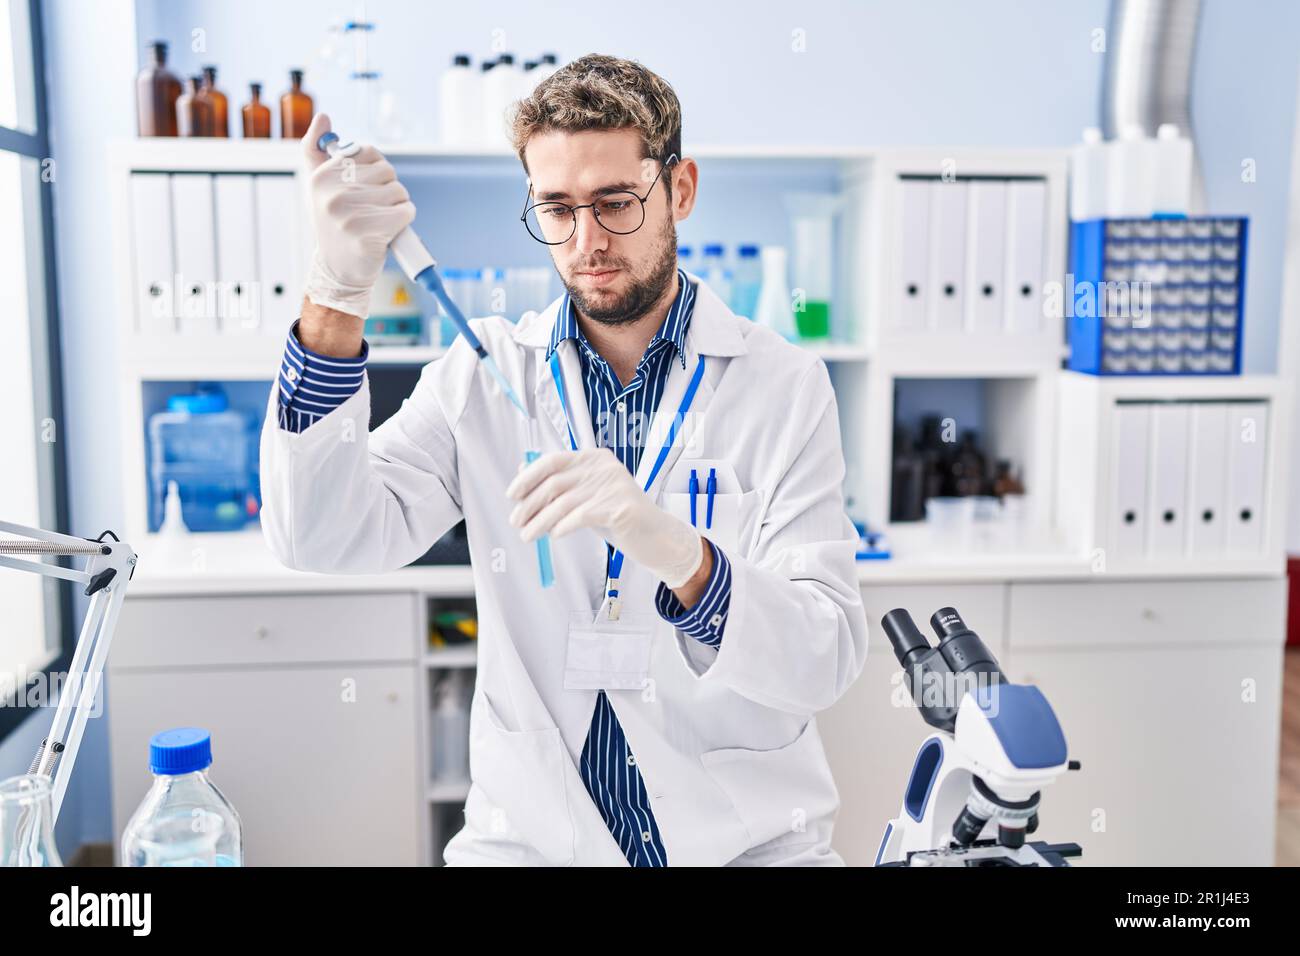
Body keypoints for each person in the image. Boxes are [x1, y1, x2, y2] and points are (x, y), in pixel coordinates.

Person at [260, 53, 868, 866]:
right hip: (532, 841)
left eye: (616, 202)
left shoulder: (785, 387)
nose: (587, 242)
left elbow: (823, 655)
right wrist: (334, 291)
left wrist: (681, 556)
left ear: (679, 190)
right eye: (556, 209)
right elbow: (319, 536)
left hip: (744, 842)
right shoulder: (483, 374)